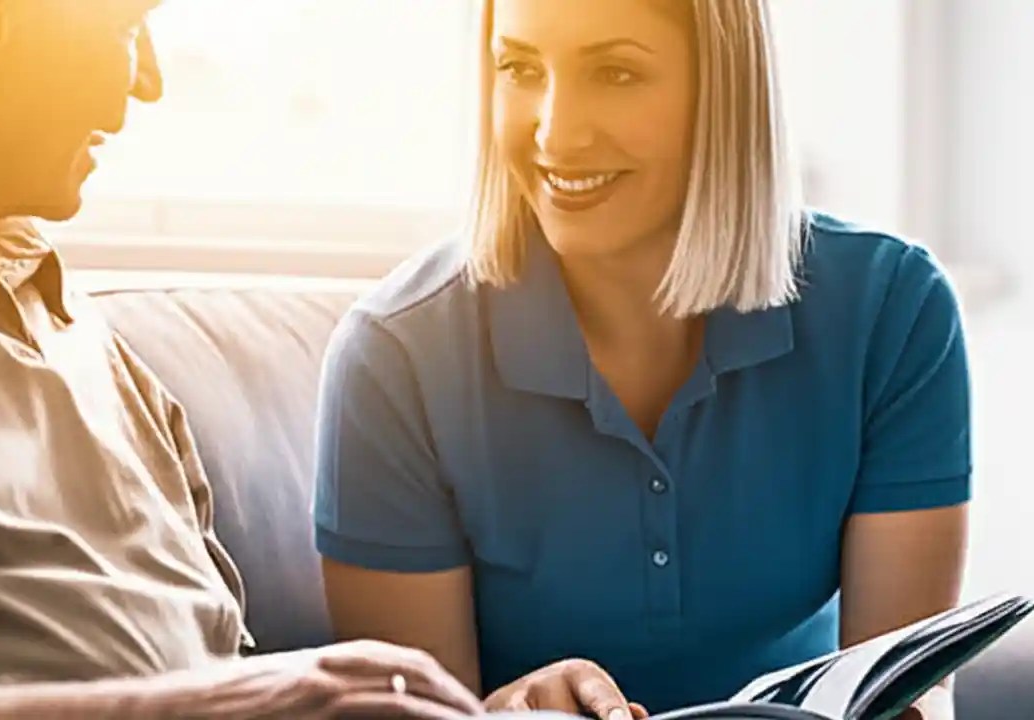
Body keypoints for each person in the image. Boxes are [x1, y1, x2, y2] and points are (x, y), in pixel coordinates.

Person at [0, 1, 515, 717]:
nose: (149, 82)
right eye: (125, 29)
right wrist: (184, 707)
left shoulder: (72, 322)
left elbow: (227, 666)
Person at [313, 1, 969, 719]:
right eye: (520, 68)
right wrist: (503, 710)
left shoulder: (892, 311)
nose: (555, 132)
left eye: (616, 72)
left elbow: (909, 693)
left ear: (726, 92)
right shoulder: (395, 358)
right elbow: (412, 713)